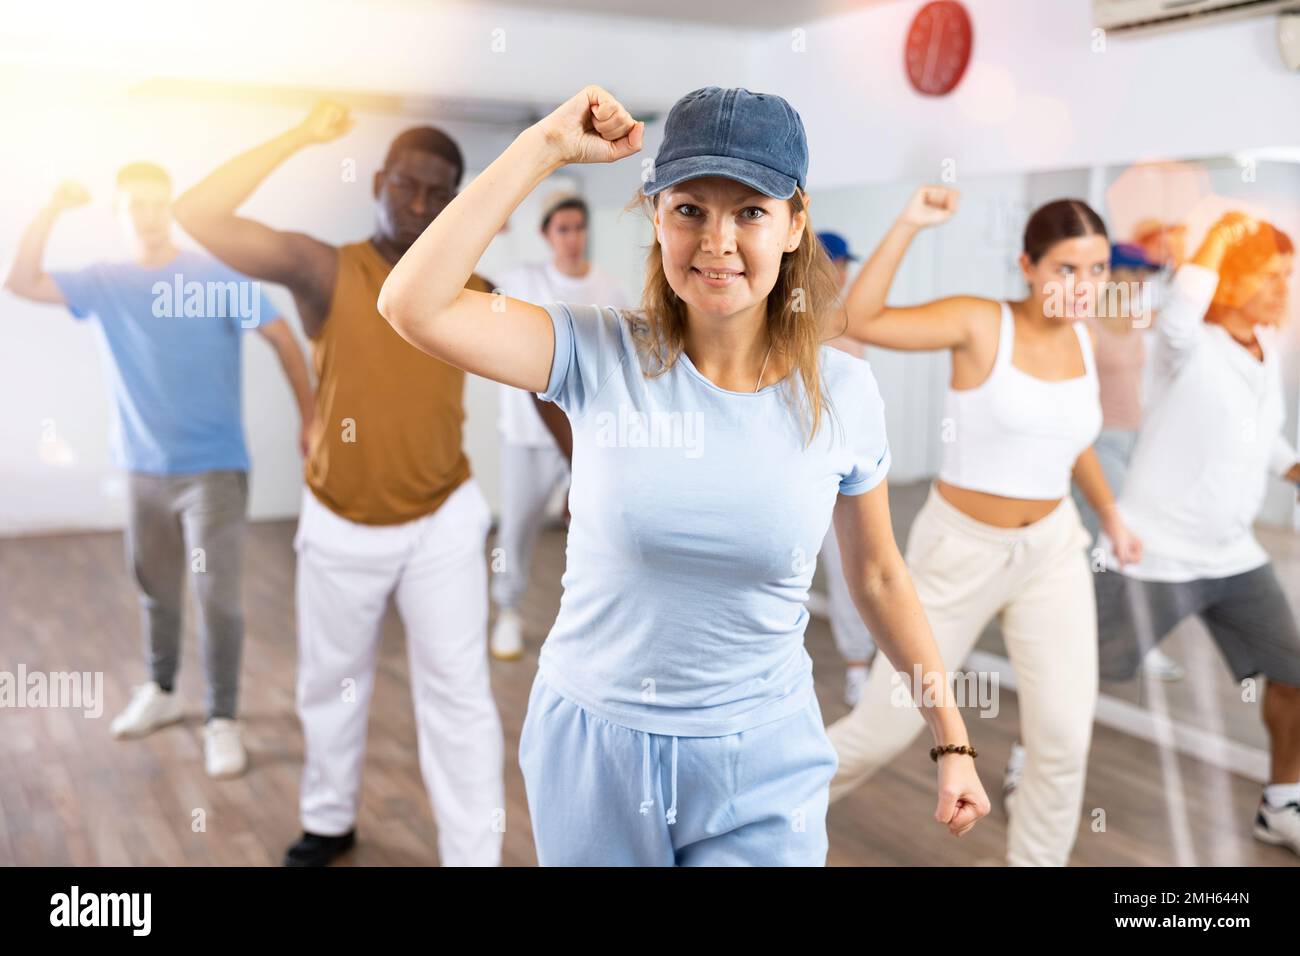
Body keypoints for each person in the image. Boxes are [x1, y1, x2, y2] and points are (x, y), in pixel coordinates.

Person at [378, 84, 990, 866]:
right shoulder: (594, 351)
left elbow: (877, 577)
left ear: (795, 222)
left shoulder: (844, 392)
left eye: (751, 212)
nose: (717, 241)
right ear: (655, 215)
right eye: (690, 209)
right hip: (594, 750)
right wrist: (545, 148)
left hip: (763, 761)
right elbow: (412, 304)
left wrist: (953, 741)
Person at [173, 103, 504, 867]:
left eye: (438, 194)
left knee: (459, 695)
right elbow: (199, 212)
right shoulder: (325, 269)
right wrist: (297, 135)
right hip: (341, 520)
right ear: (381, 184)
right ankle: (328, 820)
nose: (420, 206)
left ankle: (474, 855)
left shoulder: (473, 285)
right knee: (331, 683)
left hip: (443, 522)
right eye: (408, 187)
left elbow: (553, 380)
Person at [826, 187, 1143, 867]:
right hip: (959, 551)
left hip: (1053, 550)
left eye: (1096, 270)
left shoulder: (1084, 339)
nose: (1084, 287)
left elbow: (1070, 437)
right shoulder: (978, 322)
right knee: (879, 733)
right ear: (1027, 265)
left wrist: (1111, 514)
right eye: (1066, 270)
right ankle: (743, 821)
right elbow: (862, 316)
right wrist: (910, 221)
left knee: (1061, 738)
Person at [4, 163, 312, 780]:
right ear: (119, 213)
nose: (147, 214)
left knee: (217, 598)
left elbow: (282, 336)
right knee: (156, 591)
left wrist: (312, 421)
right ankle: (164, 691)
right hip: (142, 470)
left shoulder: (212, 275)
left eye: (156, 203)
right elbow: (21, 281)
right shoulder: (105, 282)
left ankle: (222, 718)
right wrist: (52, 207)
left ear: (168, 208)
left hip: (215, 472)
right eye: (135, 204)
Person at [1094, 213, 1300, 856]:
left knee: (1293, 673)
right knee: (1082, 670)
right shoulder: (1182, 344)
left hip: (1233, 555)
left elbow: (1260, 435)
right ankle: (1030, 756)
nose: (1284, 290)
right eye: (1271, 277)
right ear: (1231, 280)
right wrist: (1227, 233)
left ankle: (1282, 804)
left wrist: (1293, 467)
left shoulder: (1266, 347)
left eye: (1288, 277)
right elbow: (1183, 305)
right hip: (1151, 553)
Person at [489, 191, 628, 660]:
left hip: (589, 438)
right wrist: (493, 216)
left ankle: (595, 625)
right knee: (517, 528)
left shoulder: (609, 289)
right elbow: (475, 279)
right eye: (562, 229)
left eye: (579, 227)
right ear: (547, 236)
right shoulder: (521, 280)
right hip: (527, 438)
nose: (573, 238)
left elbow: (621, 360)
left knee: (598, 529)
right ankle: (507, 612)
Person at [815, 230, 877, 706]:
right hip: (802, 454)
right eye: (837, 263)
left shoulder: (856, 315)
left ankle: (858, 664)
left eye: (845, 264)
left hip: (848, 460)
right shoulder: (790, 312)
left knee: (850, 563)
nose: (844, 272)